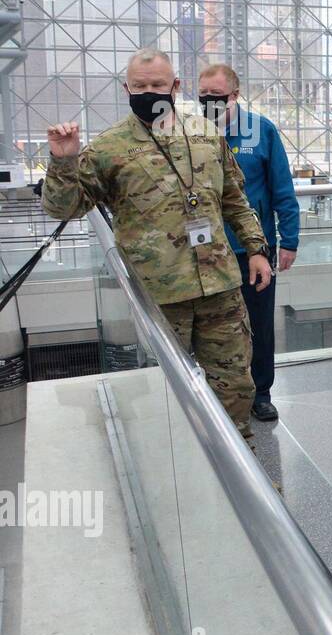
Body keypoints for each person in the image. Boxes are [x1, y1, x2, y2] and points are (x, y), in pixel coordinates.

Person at [43, 48, 272, 440]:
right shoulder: (107, 149)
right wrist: (63, 161)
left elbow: (234, 198)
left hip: (219, 284)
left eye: (157, 85)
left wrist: (255, 249)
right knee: (166, 390)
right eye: (140, 86)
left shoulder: (205, 134)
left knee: (235, 383)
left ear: (175, 86)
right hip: (160, 294)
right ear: (126, 88)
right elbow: (65, 209)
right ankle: (183, 469)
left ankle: (239, 465)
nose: (149, 92)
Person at [198, 63, 300, 423]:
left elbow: (282, 191)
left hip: (252, 251)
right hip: (207, 254)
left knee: (258, 325)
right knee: (213, 328)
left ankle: (261, 392)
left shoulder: (262, 132)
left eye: (217, 96)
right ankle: (220, 392)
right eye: (203, 96)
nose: (209, 102)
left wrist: (289, 240)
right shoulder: (189, 133)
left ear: (235, 96)